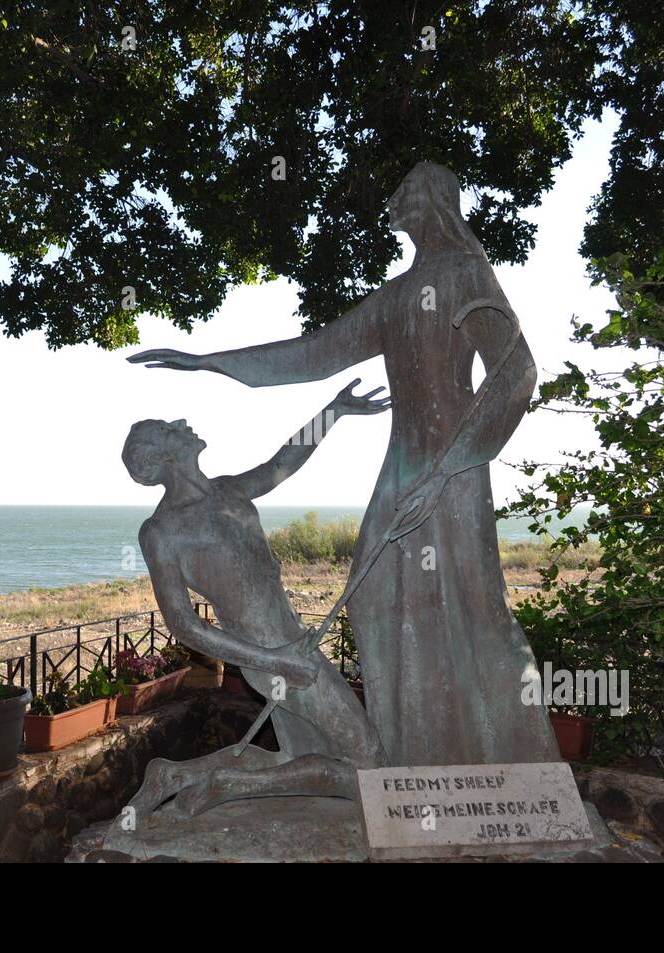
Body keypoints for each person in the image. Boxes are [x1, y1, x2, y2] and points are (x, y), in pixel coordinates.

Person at [129, 161, 560, 766]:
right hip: (404, 467)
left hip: (455, 468)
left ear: (435, 200)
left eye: (405, 187)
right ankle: (416, 756)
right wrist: (210, 361)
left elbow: (517, 372)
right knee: (378, 598)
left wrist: (450, 468)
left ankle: (496, 754)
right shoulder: (396, 296)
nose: (393, 197)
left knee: (466, 598)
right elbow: (312, 353)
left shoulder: (466, 272)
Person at [117, 381, 385, 821]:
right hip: (273, 658)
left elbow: (281, 463)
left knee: (300, 757)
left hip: (295, 644)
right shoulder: (161, 532)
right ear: (155, 459)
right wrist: (275, 661)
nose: (181, 424)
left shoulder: (228, 491)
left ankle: (171, 776)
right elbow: (185, 626)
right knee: (370, 765)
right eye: (167, 429)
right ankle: (230, 785)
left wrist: (332, 412)